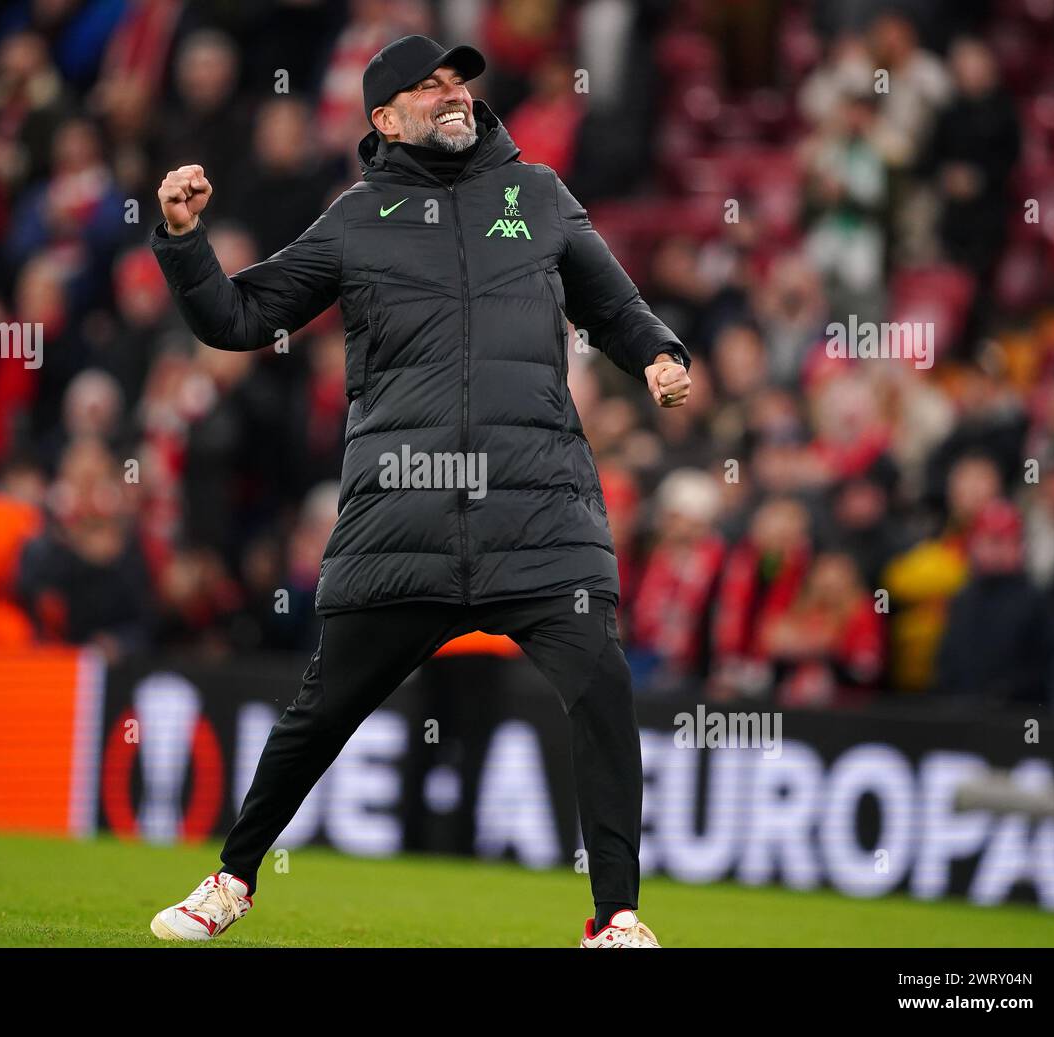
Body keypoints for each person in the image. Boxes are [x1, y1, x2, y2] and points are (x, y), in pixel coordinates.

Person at [147, 35, 691, 949]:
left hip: (541, 510)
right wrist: (183, 239)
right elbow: (238, 318)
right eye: (428, 86)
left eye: (458, 81)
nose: (453, 94)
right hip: (404, 520)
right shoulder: (356, 217)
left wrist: (661, 356)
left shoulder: (538, 194)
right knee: (319, 714)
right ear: (383, 118)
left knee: (601, 690)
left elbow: (616, 306)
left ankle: (618, 917)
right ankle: (231, 879)